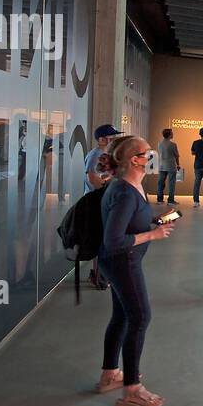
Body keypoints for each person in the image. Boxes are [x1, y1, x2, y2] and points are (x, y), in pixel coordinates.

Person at [95, 135, 175, 406]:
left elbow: (129, 221)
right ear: (135, 160)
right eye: (147, 152)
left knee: (122, 315)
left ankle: (109, 374)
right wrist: (153, 234)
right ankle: (132, 389)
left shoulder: (130, 187)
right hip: (122, 262)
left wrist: (153, 220)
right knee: (140, 316)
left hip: (121, 261)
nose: (151, 155)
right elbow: (114, 240)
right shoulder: (125, 192)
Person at [84, 123, 121, 291]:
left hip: (103, 201)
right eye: (111, 137)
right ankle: (98, 275)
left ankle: (100, 274)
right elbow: (92, 178)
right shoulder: (96, 155)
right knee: (101, 240)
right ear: (101, 139)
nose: (114, 139)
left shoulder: (104, 154)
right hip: (96, 202)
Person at [155, 128, 180, 204]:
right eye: (172, 133)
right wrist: (178, 164)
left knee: (160, 183)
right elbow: (176, 156)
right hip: (171, 166)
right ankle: (171, 200)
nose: (173, 135)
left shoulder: (159, 143)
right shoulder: (173, 145)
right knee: (171, 183)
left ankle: (159, 199)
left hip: (162, 166)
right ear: (169, 135)